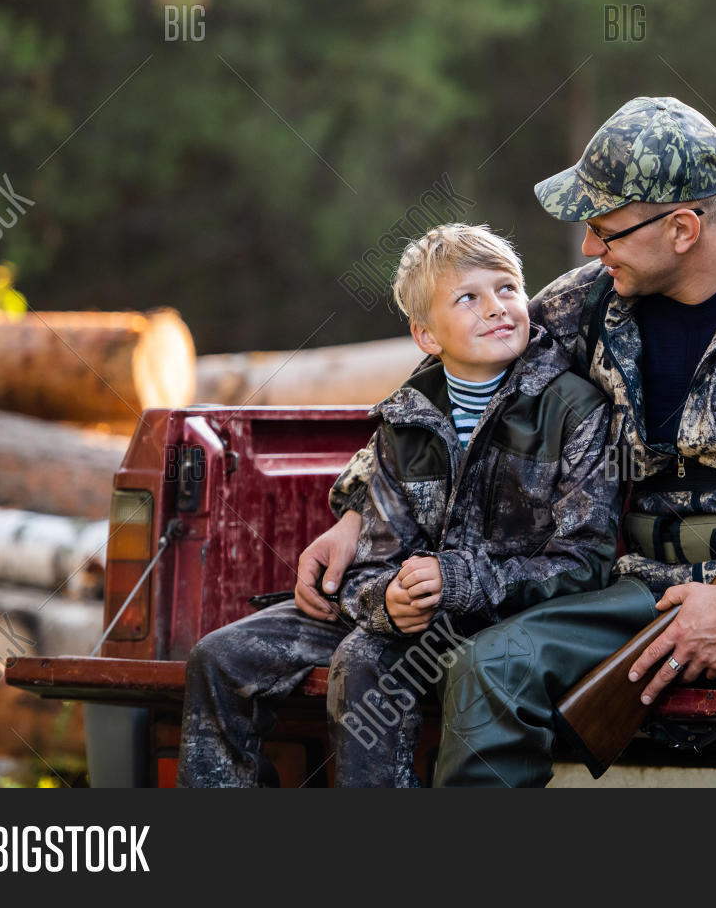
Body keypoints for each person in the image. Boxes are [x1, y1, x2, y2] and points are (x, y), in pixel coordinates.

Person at [300, 97, 716, 787]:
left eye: (604, 230)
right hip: (644, 586)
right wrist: (357, 509)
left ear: (682, 229)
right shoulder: (589, 300)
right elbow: (453, 383)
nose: (589, 248)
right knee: (491, 668)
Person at [179, 224, 618, 786]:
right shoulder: (406, 421)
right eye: (468, 298)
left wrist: (454, 582)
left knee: (365, 660)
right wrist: (386, 601)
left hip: (507, 619)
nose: (496, 307)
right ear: (426, 336)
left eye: (507, 288)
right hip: (414, 617)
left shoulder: (574, 409)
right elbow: (374, 556)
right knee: (219, 657)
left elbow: (584, 563)